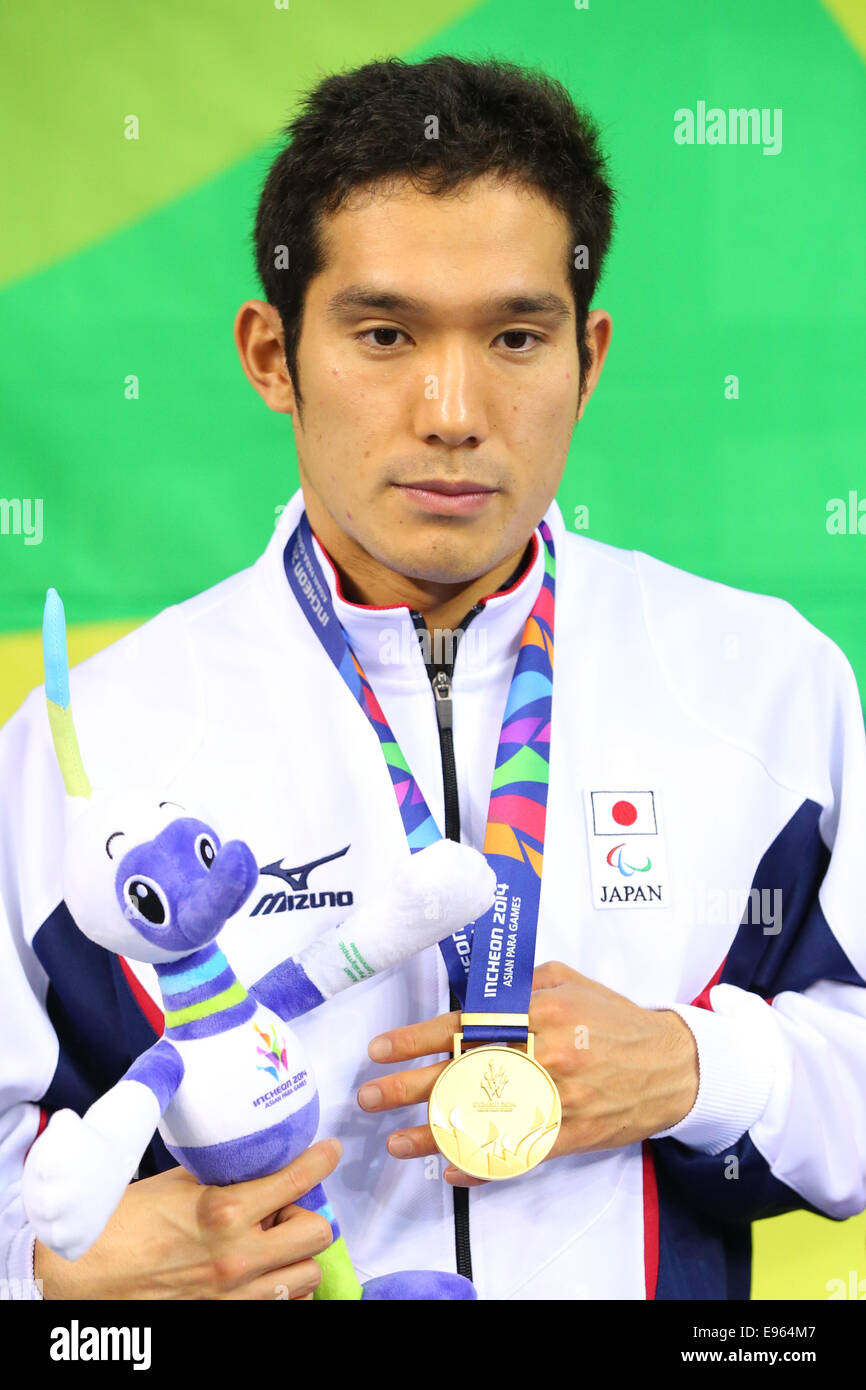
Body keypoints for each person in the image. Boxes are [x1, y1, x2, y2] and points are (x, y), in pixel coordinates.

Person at [2, 54, 865, 1302]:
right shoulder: (96, 748)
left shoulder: (764, 683)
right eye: (384, 333)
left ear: (589, 354)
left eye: (515, 335)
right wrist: (50, 1273)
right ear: (270, 354)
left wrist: (700, 1066)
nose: (451, 408)